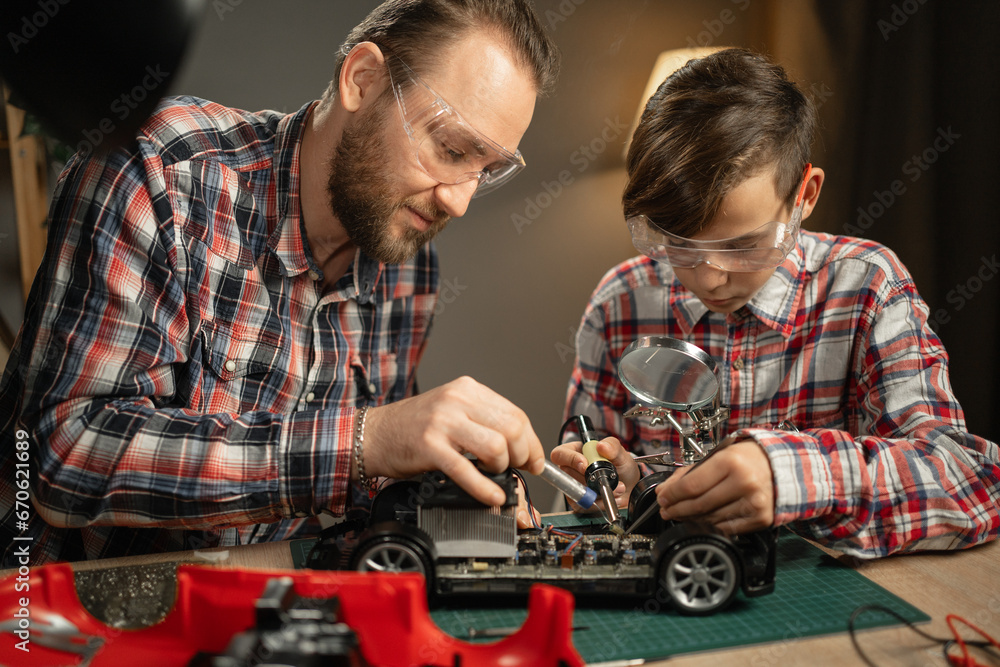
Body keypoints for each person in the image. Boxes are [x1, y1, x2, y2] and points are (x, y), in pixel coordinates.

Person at [0, 0, 560, 567]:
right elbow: (62, 453)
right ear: (362, 81)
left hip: (267, 620)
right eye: (451, 149)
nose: (458, 202)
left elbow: (364, 490)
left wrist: (452, 492)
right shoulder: (162, 173)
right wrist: (366, 441)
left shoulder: (408, 261)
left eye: (483, 170)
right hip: (65, 621)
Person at [552, 48, 999, 559]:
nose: (710, 277)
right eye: (679, 244)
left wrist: (796, 475)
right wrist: (615, 480)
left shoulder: (866, 289)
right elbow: (585, 484)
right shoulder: (621, 305)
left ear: (804, 196)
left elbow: (972, 481)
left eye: (743, 245)